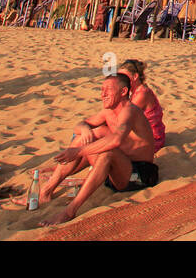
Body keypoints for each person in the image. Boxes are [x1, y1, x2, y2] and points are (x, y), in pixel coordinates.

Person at [39, 74, 157, 225]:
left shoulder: (130, 111)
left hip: (140, 175)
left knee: (107, 152)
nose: (103, 94)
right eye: (101, 90)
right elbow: (79, 126)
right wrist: (85, 130)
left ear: (123, 92)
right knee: (90, 135)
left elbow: (117, 139)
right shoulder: (108, 112)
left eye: (108, 90)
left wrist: (78, 152)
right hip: (117, 172)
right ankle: (46, 191)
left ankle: (69, 212)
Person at [118, 59, 165, 151]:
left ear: (135, 76)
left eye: (124, 77)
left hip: (151, 139)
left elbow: (125, 116)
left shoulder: (142, 93)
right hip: (141, 133)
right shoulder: (134, 91)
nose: (121, 81)